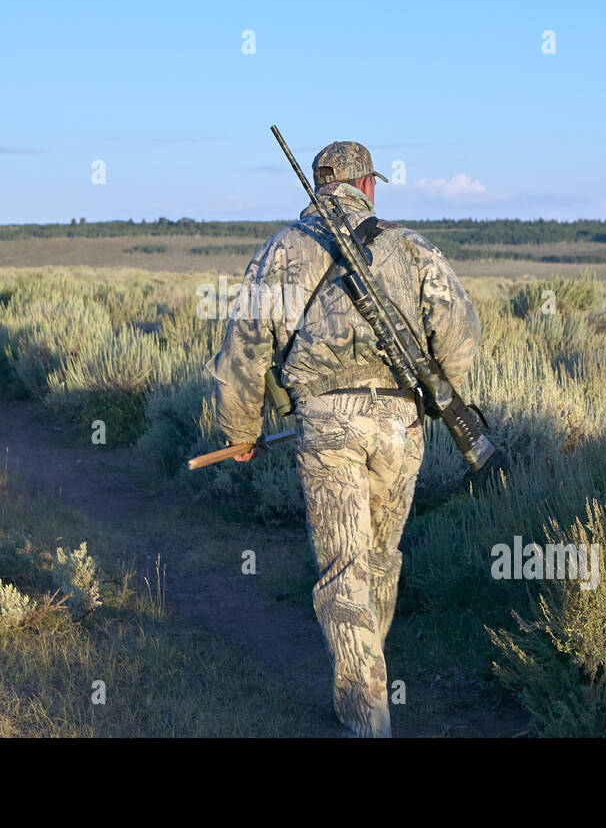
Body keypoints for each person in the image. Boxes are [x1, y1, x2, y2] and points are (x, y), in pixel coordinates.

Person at [206, 140, 482, 737]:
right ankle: (370, 688)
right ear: (368, 185)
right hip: (401, 424)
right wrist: (437, 393)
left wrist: (241, 431)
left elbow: (245, 351)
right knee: (380, 560)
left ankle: (366, 719)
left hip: (326, 424)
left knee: (345, 570)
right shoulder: (410, 246)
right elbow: (461, 333)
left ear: (317, 181)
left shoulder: (283, 250)